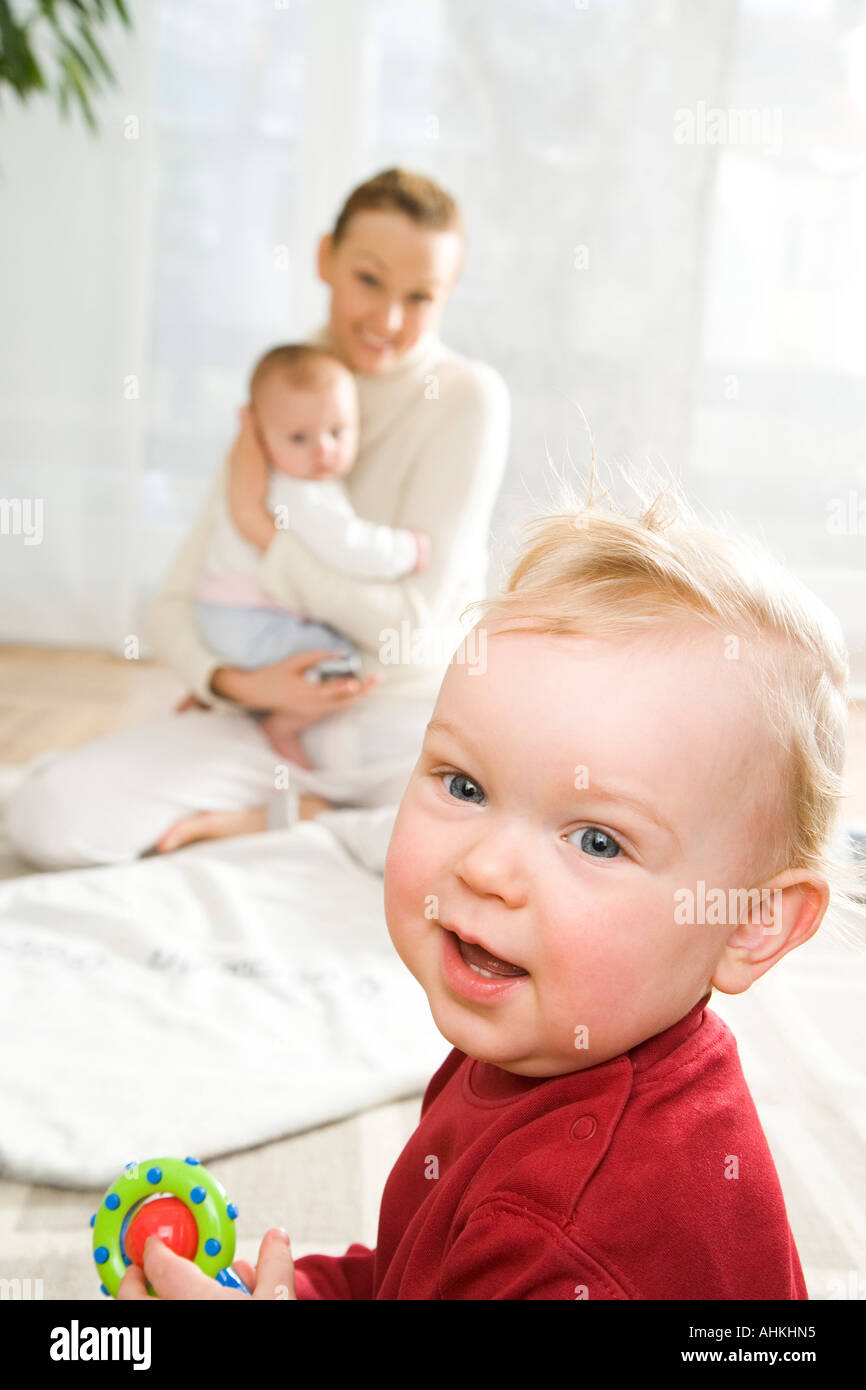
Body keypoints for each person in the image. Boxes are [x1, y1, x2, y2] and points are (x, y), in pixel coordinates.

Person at [117, 474, 861, 1300]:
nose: (486, 869)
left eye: (597, 840)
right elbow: (428, 1271)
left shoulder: (562, 1237)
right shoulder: (566, 1045)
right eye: (465, 786)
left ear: (750, 923)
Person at [7, 168, 510, 867]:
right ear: (324, 258)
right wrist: (239, 685)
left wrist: (264, 537)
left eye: (420, 297)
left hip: (400, 724)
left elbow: (408, 629)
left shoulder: (467, 400)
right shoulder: (284, 384)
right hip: (268, 720)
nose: (389, 320)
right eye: (369, 279)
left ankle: (300, 822)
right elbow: (175, 603)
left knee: (477, 857)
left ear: (445, 297)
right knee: (44, 818)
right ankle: (303, 817)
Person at [194, 342, 431, 765]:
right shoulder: (302, 494)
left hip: (227, 612)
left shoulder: (279, 480)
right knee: (339, 660)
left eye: (337, 432)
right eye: (299, 438)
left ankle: (235, 707)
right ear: (260, 436)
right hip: (249, 618)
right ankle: (280, 726)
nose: (323, 450)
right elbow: (351, 548)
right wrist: (406, 550)